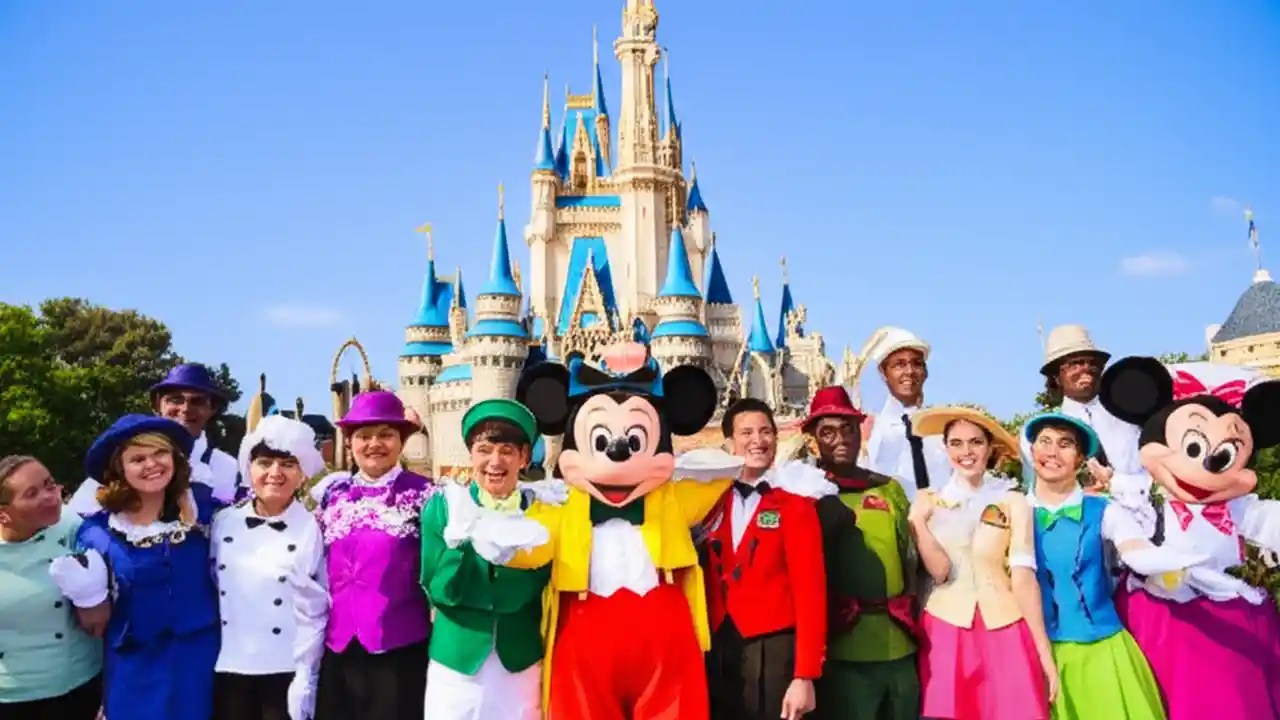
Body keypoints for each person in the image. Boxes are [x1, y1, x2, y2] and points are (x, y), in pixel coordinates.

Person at [504, 344, 741, 720]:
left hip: (665, 637)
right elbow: (532, 544)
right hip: (583, 637)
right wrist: (500, 542)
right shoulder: (560, 506)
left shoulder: (673, 499)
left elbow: (720, 476)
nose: (617, 453)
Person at [1098, 357, 1280, 720]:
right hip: (1163, 613)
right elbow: (1126, 540)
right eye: (1194, 448)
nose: (1207, 465)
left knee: (1239, 698)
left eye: (1226, 455)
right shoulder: (1142, 498)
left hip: (1231, 614)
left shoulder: (1240, 509)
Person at [49, 415, 221, 720]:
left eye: (160, 453)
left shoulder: (205, 513)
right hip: (132, 666)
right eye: (138, 458)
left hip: (200, 662)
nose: (152, 464)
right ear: (120, 469)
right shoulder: (97, 532)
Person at [910, 405, 1056, 720]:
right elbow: (939, 571)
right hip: (945, 627)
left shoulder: (1014, 501)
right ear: (945, 448)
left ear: (990, 448)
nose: (967, 451)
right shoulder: (928, 503)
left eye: (976, 442)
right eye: (957, 443)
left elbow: (1023, 577)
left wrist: (1043, 650)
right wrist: (919, 524)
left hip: (1006, 625)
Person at [1022, 413, 1164, 720]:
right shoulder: (1014, 512)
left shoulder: (1106, 510)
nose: (1052, 452)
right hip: (1035, 653)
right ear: (1032, 451)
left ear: (1081, 459)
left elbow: (1135, 548)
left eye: (1065, 444)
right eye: (1044, 442)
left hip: (1103, 652)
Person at [420, 399, 553, 720]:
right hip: (457, 659)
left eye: (507, 450)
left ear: (523, 458)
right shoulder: (444, 508)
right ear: (471, 454)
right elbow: (436, 585)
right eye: (484, 450)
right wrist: (460, 543)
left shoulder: (544, 511)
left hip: (518, 658)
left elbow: (543, 580)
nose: (495, 461)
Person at [703, 399, 831, 720]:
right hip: (716, 650)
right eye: (746, 432)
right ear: (729, 443)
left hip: (774, 654)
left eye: (766, 432)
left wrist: (805, 676)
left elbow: (811, 594)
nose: (758, 441)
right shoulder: (706, 504)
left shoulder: (795, 507)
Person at [313, 391, 437, 720]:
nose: (374, 444)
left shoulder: (426, 496)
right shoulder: (332, 497)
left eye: (385, 434)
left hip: (400, 645)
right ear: (350, 442)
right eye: (364, 435)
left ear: (401, 441)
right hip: (338, 646)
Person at [803, 386, 920, 720]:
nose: (840, 438)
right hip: (844, 648)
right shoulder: (804, 493)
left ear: (859, 433)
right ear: (814, 441)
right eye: (827, 432)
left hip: (898, 643)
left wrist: (908, 610)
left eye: (848, 428)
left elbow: (908, 556)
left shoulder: (889, 488)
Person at [211, 416, 329, 720]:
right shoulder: (223, 522)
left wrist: (307, 674)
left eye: (288, 464)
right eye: (264, 463)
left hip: (287, 666)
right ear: (249, 470)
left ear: (302, 474)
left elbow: (319, 607)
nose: (275, 473)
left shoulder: (314, 528)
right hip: (231, 663)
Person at [0, 455, 102, 719]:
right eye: (31, 493)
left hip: (84, 686)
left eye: (49, 484)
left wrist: (95, 601)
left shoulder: (70, 524)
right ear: (4, 515)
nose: (50, 496)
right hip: (16, 697)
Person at [68, 363, 241, 514]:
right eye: (175, 400)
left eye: (197, 402)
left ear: (212, 409)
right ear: (158, 406)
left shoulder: (227, 467)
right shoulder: (121, 458)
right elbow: (75, 520)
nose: (185, 409)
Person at [1022, 325, 1143, 488]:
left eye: (1093, 363)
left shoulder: (1129, 416)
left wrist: (1118, 483)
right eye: (1075, 363)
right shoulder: (1039, 432)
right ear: (1056, 376)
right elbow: (1037, 487)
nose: (1086, 368)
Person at [862, 327, 951, 501]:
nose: (909, 371)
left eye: (917, 363)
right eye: (899, 365)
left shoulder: (941, 429)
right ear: (883, 372)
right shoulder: (869, 430)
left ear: (925, 372)